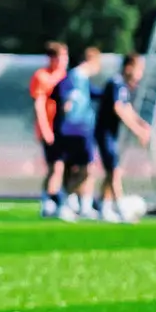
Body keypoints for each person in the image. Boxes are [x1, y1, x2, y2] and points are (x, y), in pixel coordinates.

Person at [95, 53, 153, 222]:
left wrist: (141, 123)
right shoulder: (116, 83)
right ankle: (121, 209)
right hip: (104, 133)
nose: (140, 74)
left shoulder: (122, 86)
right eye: (138, 69)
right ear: (129, 68)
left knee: (112, 170)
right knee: (114, 171)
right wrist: (137, 130)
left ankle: (104, 208)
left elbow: (127, 108)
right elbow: (118, 108)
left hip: (111, 134)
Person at [50, 46, 103, 220]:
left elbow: (96, 95)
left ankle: (82, 205)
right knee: (83, 169)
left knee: (85, 169)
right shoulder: (74, 77)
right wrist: (67, 112)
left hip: (82, 130)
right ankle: (65, 202)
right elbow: (66, 100)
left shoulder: (84, 80)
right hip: (76, 130)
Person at [29, 41, 69, 217]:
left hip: (65, 128)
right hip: (51, 129)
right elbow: (39, 104)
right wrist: (45, 129)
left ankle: (50, 200)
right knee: (56, 167)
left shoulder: (64, 75)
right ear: (52, 58)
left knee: (60, 168)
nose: (64, 61)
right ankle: (51, 202)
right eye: (61, 57)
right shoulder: (42, 76)